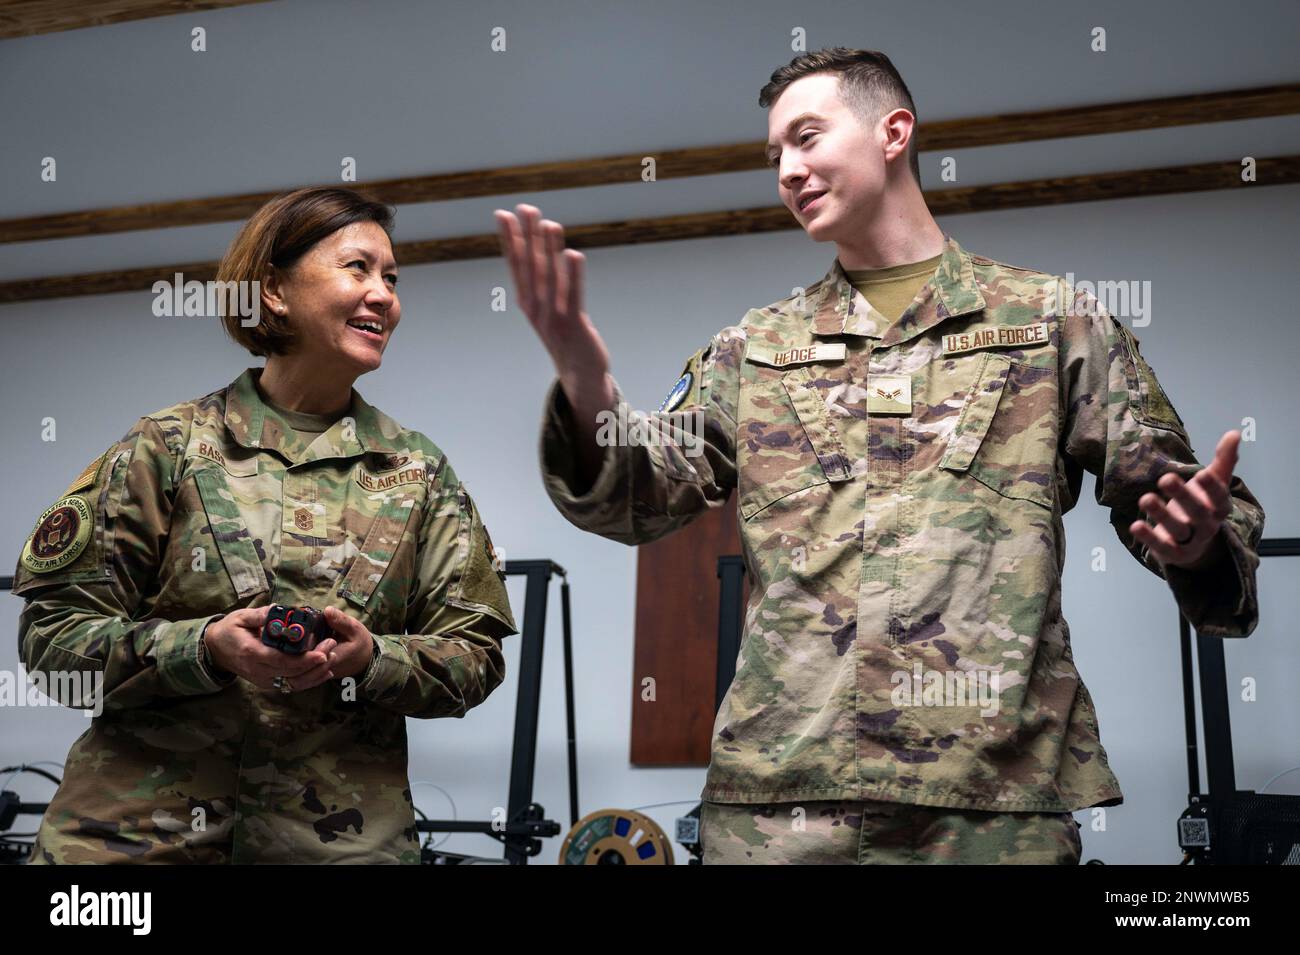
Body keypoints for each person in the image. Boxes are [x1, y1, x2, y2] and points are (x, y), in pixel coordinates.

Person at [496, 48, 1265, 864]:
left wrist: (1198, 539)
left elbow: (1175, 497)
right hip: (781, 804)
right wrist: (585, 384)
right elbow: (638, 497)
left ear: (893, 132)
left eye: (807, 137)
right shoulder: (756, 347)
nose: (788, 171)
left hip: (989, 802)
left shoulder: (1053, 320)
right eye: (774, 156)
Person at [14, 186, 517, 863]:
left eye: (391, 278)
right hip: (133, 847)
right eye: (357, 268)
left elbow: (476, 656)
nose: (383, 295)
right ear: (273, 291)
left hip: (336, 846)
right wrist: (204, 647)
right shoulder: (168, 448)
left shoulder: (417, 473)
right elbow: (53, 639)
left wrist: (372, 658)